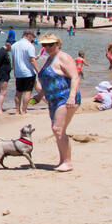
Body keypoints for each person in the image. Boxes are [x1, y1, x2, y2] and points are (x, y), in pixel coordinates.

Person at [33, 33, 81, 172]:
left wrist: (71, 96)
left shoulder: (63, 57)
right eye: (44, 45)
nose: (47, 47)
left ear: (58, 44)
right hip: (53, 99)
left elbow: (75, 77)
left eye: (51, 44)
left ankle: (68, 162)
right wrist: (40, 95)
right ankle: (62, 160)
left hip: (65, 98)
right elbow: (49, 82)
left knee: (58, 129)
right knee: (58, 131)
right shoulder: (49, 59)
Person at [11, 30, 38, 116]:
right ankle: (24, 111)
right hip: (28, 72)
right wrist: (39, 71)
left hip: (18, 72)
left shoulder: (14, 45)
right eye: (32, 36)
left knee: (18, 92)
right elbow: (32, 60)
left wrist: (14, 71)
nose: (33, 38)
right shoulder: (29, 46)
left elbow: (13, 60)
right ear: (28, 35)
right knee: (27, 92)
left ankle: (17, 111)